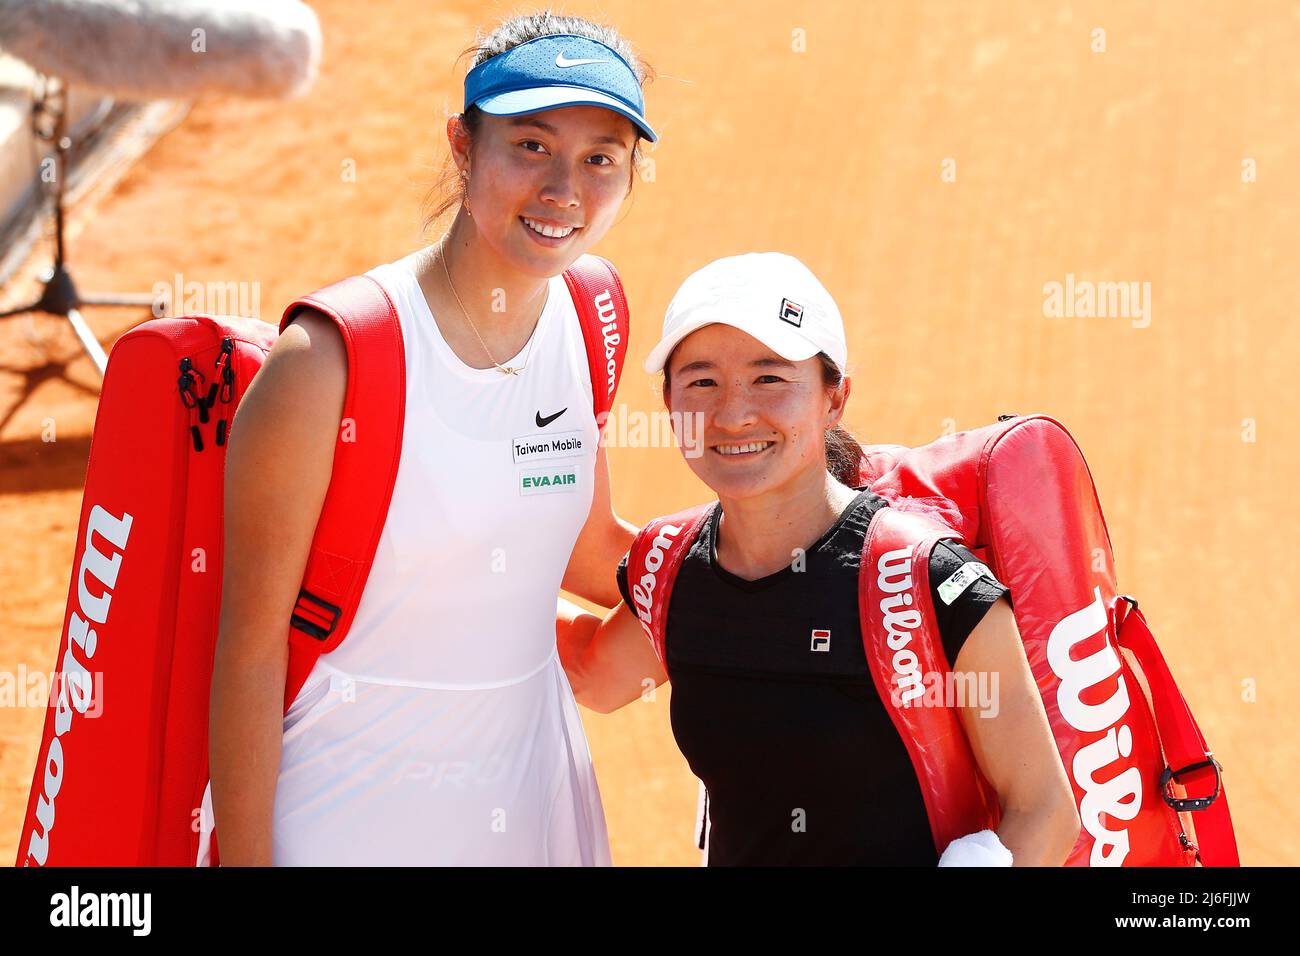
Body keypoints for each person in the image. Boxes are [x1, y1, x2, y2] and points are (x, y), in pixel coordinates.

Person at [207, 11, 657, 866]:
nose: (565, 189)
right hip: (349, 816)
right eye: (530, 146)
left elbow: (584, 549)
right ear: (462, 145)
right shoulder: (327, 362)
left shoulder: (594, 314)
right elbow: (250, 651)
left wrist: (780, 556)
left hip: (536, 805)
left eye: (601, 157)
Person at [557, 253, 1081, 866]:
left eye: (770, 378)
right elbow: (597, 673)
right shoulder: (675, 572)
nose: (733, 413)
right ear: (670, 404)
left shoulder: (926, 581)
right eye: (701, 380)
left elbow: (1045, 811)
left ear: (834, 400)